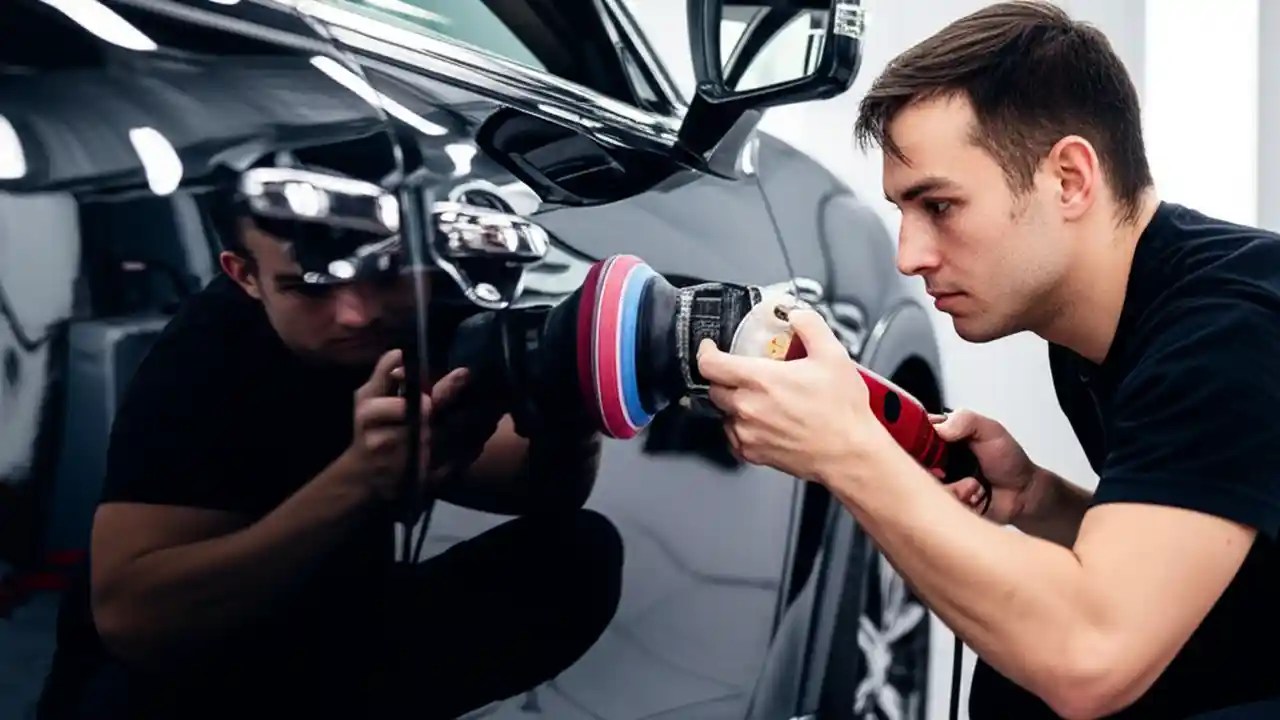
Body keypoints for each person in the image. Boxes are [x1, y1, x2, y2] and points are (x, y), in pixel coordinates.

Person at [696, 2, 1280, 718]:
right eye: (903, 212)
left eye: (939, 206)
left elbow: (1092, 655)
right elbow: (1210, 568)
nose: (909, 256)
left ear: (1069, 179)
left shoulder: (1224, 331)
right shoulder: (1108, 322)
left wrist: (847, 452)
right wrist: (1037, 500)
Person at [36, 158, 623, 720]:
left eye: (384, 271)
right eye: (308, 287)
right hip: (186, 667)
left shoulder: (428, 305)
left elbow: (532, 487)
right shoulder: (207, 355)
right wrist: (360, 481)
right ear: (245, 276)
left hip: (335, 626)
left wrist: (564, 412)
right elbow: (133, 619)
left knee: (575, 559)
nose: (355, 315)